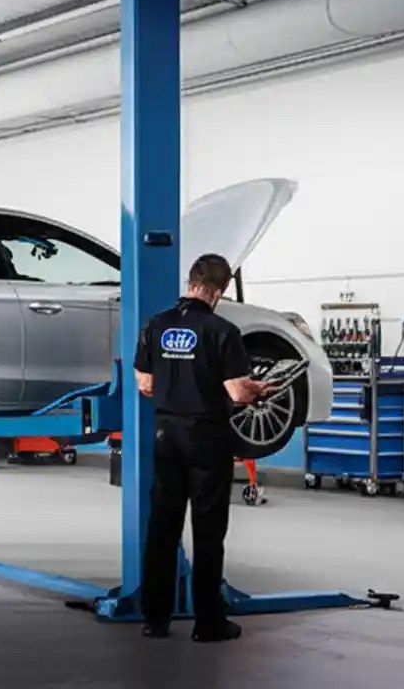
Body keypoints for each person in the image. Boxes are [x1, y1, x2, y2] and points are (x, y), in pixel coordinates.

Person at [132, 253, 271, 643]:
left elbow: (143, 383)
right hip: (206, 438)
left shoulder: (156, 325)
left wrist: (176, 386)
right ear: (220, 289)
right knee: (208, 531)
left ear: (191, 282)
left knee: (162, 526)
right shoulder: (221, 331)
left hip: (166, 435)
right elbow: (238, 393)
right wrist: (257, 390)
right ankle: (208, 623)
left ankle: (155, 620)